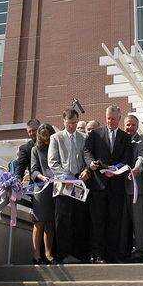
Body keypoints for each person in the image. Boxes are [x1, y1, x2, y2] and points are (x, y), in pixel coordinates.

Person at [84, 105, 131, 263]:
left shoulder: (125, 137)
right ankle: (98, 254)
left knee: (115, 220)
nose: (110, 121)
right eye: (108, 118)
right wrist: (91, 164)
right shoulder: (95, 134)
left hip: (117, 185)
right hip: (98, 184)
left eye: (113, 118)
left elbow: (127, 158)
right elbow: (87, 151)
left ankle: (113, 254)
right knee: (98, 220)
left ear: (119, 118)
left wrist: (116, 169)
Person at [48, 108, 90, 263]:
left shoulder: (84, 137)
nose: (72, 126)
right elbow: (52, 161)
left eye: (74, 123)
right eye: (69, 123)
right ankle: (61, 254)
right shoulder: (56, 137)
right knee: (62, 219)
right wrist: (67, 177)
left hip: (79, 184)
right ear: (63, 121)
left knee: (79, 218)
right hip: (63, 184)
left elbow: (87, 158)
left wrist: (86, 171)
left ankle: (78, 254)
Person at [120, 114, 143, 262]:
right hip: (120, 189)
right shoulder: (120, 139)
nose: (129, 127)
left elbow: (141, 157)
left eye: (132, 125)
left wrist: (137, 168)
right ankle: (123, 252)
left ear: (137, 126)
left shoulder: (142, 141)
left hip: (137, 188)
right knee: (123, 223)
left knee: (138, 222)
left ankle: (140, 252)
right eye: (127, 125)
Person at [29, 123, 57, 264]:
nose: (45, 138)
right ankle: (36, 254)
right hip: (40, 188)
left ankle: (48, 253)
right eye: (43, 135)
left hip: (55, 188)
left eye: (48, 135)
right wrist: (41, 177)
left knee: (50, 223)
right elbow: (33, 170)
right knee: (39, 222)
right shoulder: (35, 150)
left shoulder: (56, 147)